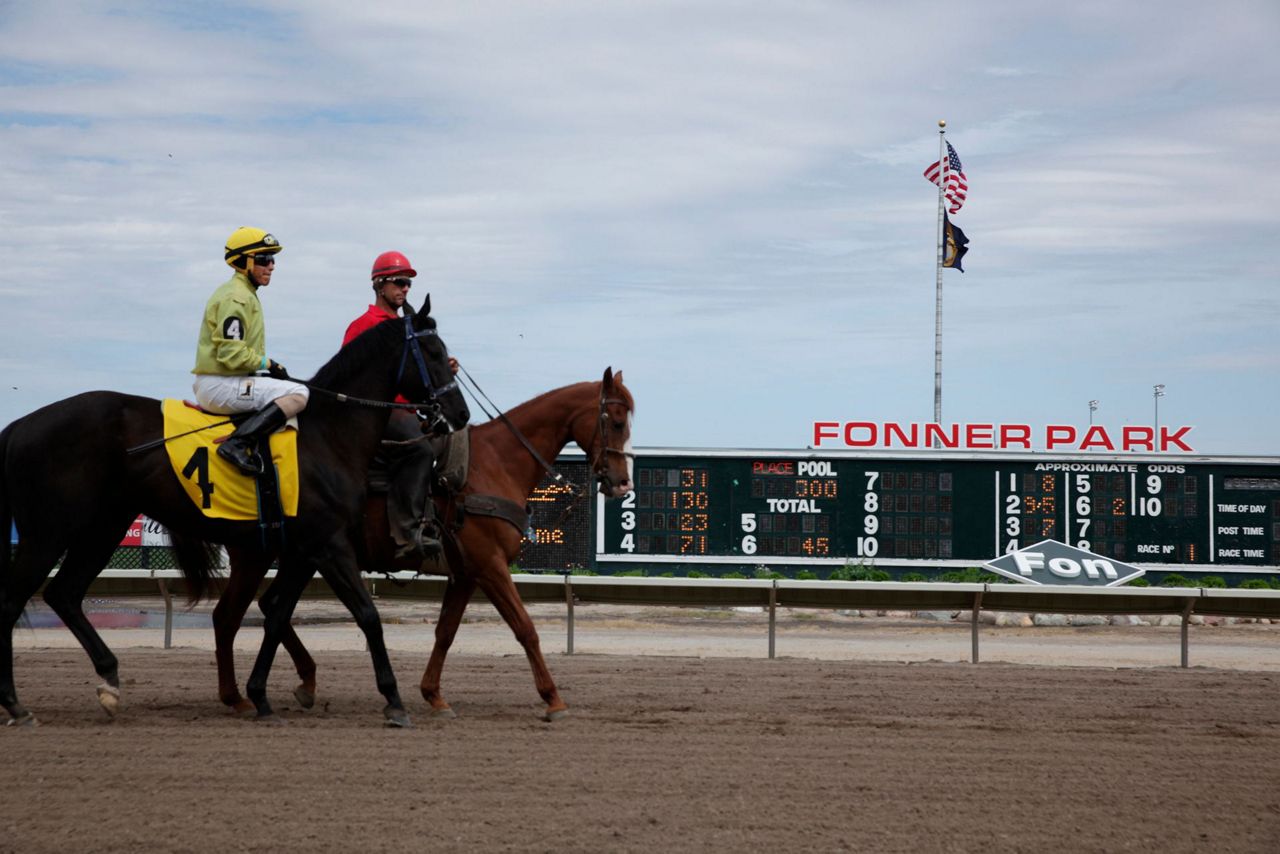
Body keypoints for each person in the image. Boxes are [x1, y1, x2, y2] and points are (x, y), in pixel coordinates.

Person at [343, 251, 457, 559]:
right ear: (380, 285)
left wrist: (442, 370)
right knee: (418, 448)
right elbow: (349, 377)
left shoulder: (409, 328)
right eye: (399, 282)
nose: (405, 289)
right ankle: (406, 534)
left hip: (406, 411)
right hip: (376, 414)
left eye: (407, 284)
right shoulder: (363, 325)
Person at [192, 227, 309, 475]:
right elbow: (231, 355)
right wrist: (269, 364)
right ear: (244, 262)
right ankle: (237, 444)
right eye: (264, 259)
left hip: (227, 380)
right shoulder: (237, 298)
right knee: (298, 393)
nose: (272, 266)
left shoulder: (245, 294)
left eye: (273, 259)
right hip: (219, 384)